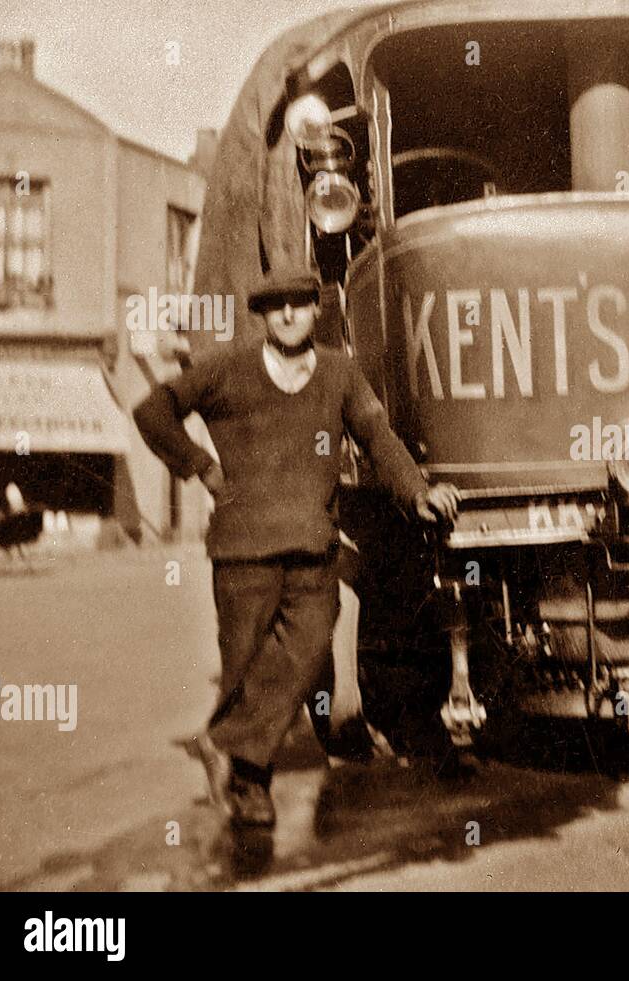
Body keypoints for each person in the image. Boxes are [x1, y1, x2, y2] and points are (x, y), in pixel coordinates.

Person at [134, 267, 459, 828]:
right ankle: (251, 785)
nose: (288, 315)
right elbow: (152, 411)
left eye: (299, 304)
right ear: (262, 315)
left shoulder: (339, 373)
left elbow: (378, 437)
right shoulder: (228, 371)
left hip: (312, 546)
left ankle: (224, 742)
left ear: (317, 310)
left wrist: (417, 492)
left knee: (308, 654)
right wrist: (202, 467)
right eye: (275, 306)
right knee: (244, 665)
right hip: (241, 551)